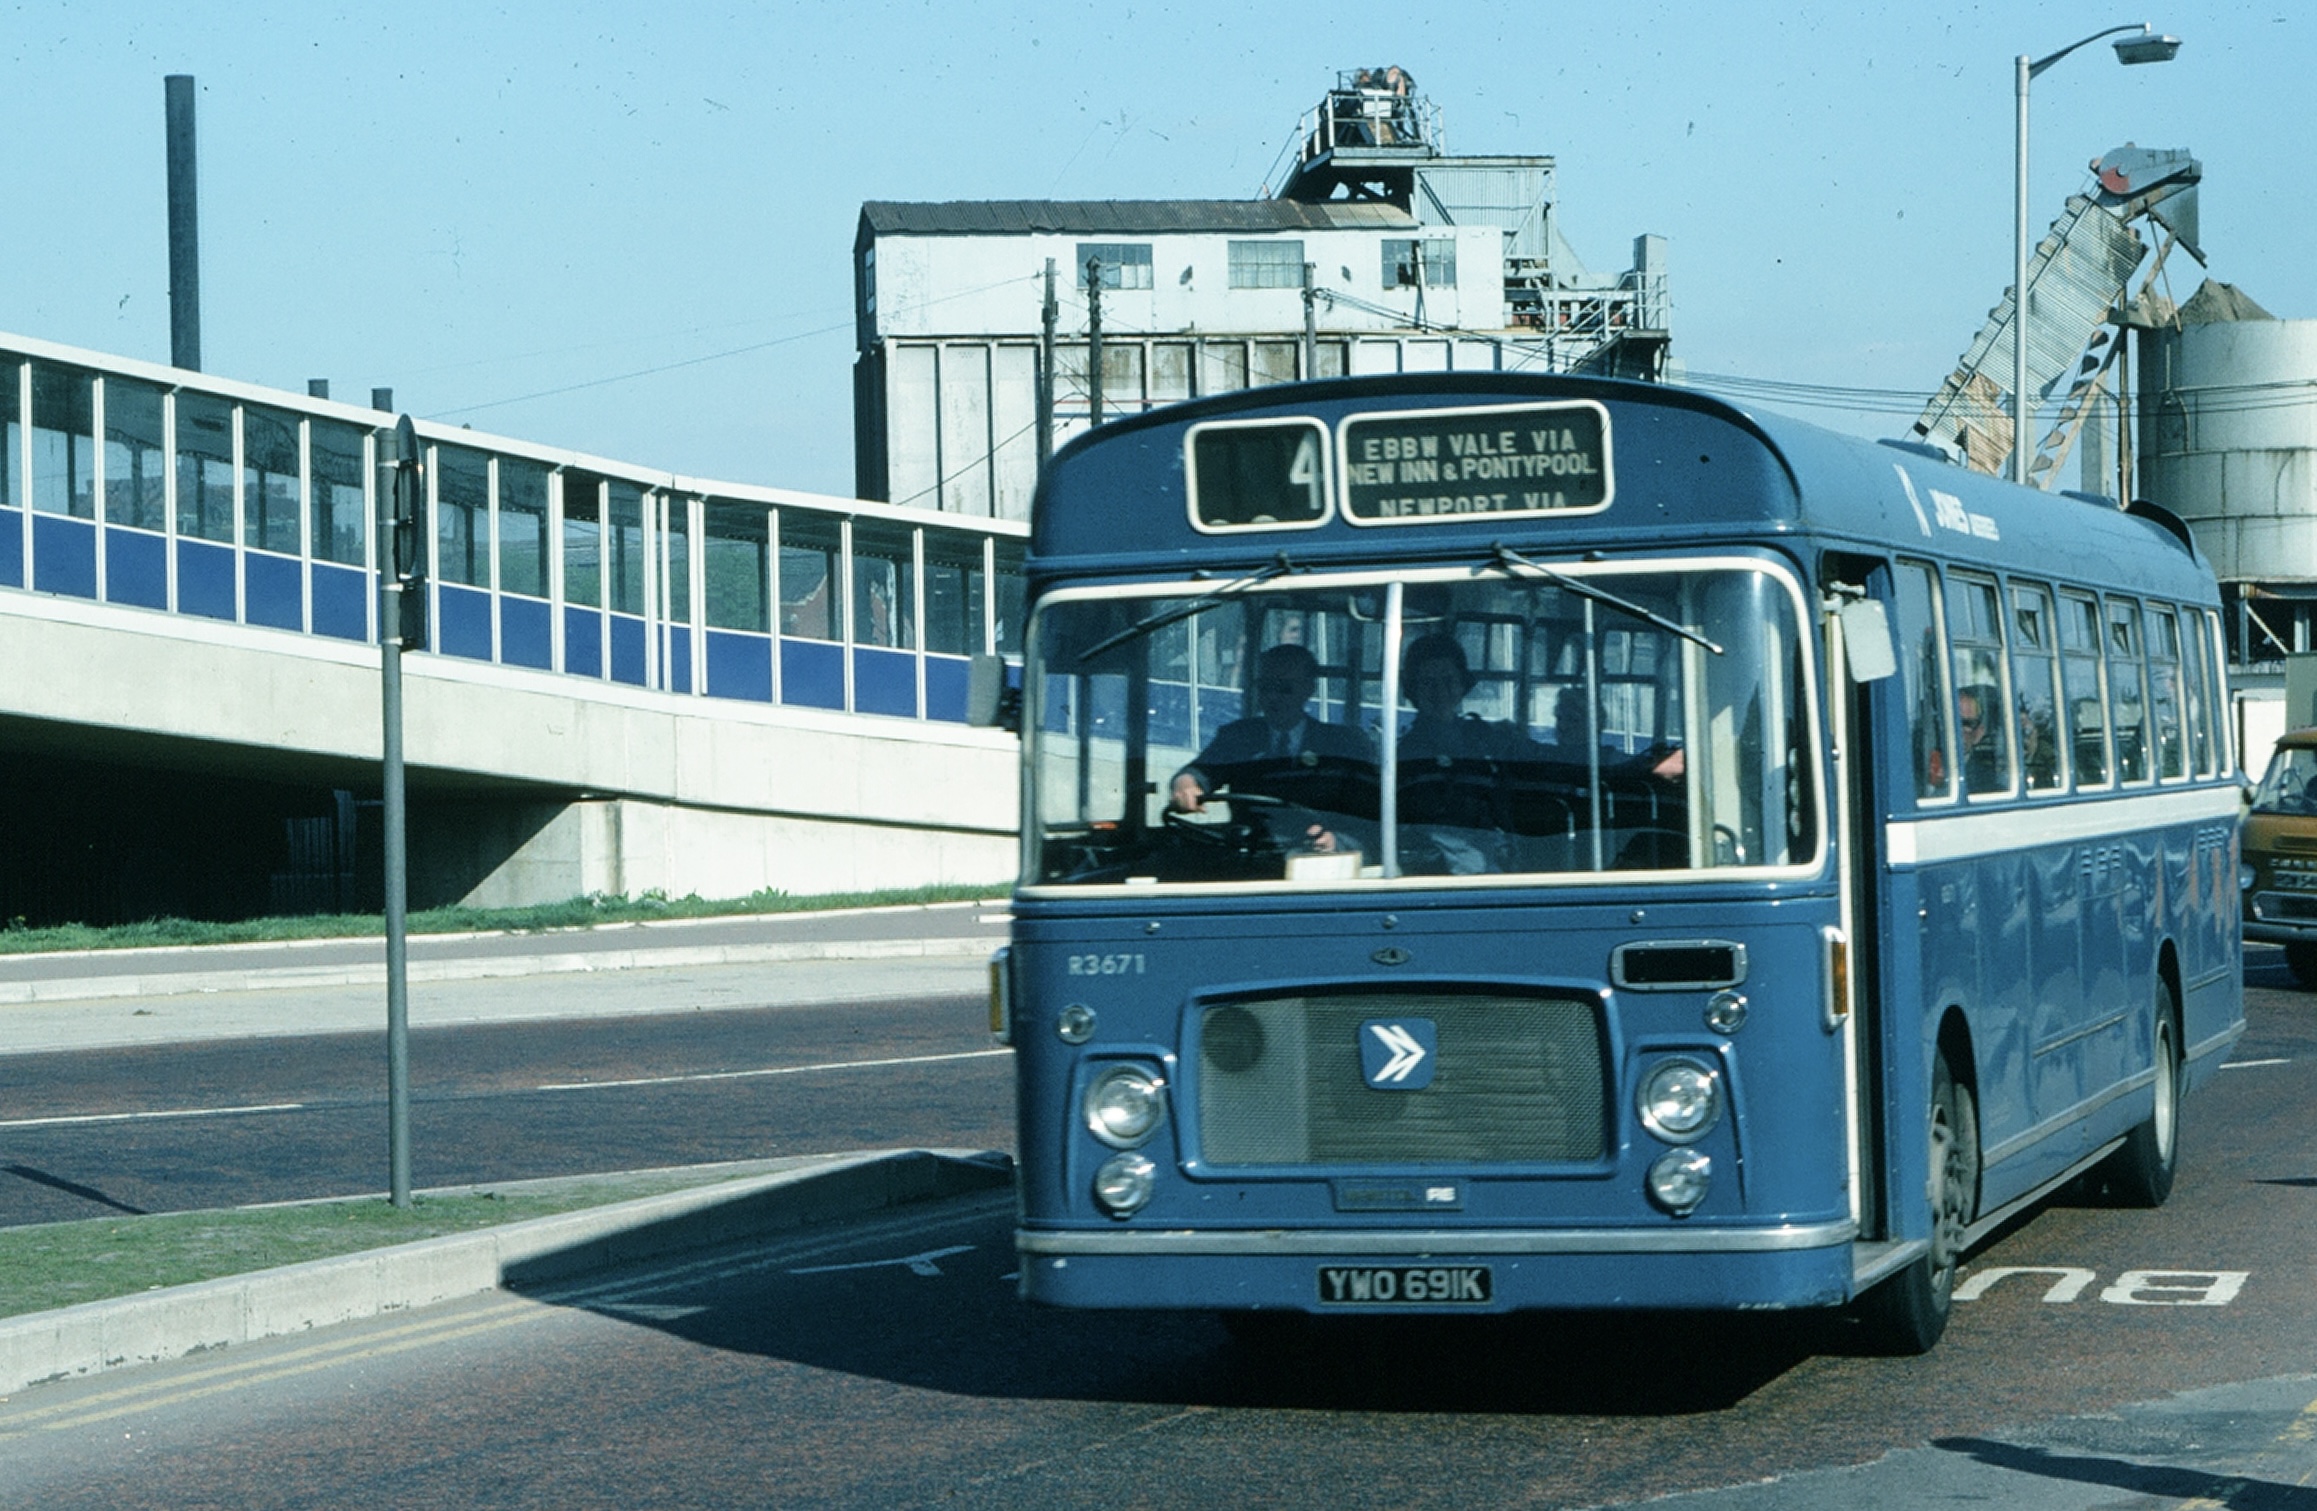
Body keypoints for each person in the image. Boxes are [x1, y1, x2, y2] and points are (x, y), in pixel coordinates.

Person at [1169, 644, 1373, 847]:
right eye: (1266, 687)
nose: (1273, 697)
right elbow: (1202, 770)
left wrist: (1336, 842)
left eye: (1285, 688)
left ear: (1308, 689)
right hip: (1249, 856)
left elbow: (1370, 818)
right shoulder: (1239, 737)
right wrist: (1185, 785)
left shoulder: (1341, 744)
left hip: (1318, 864)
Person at [1957, 685, 2003, 794]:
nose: (1958, 730)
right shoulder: (1917, 768)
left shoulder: (1989, 785)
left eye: (1967, 723)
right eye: (1954, 722)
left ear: (1979, 733)